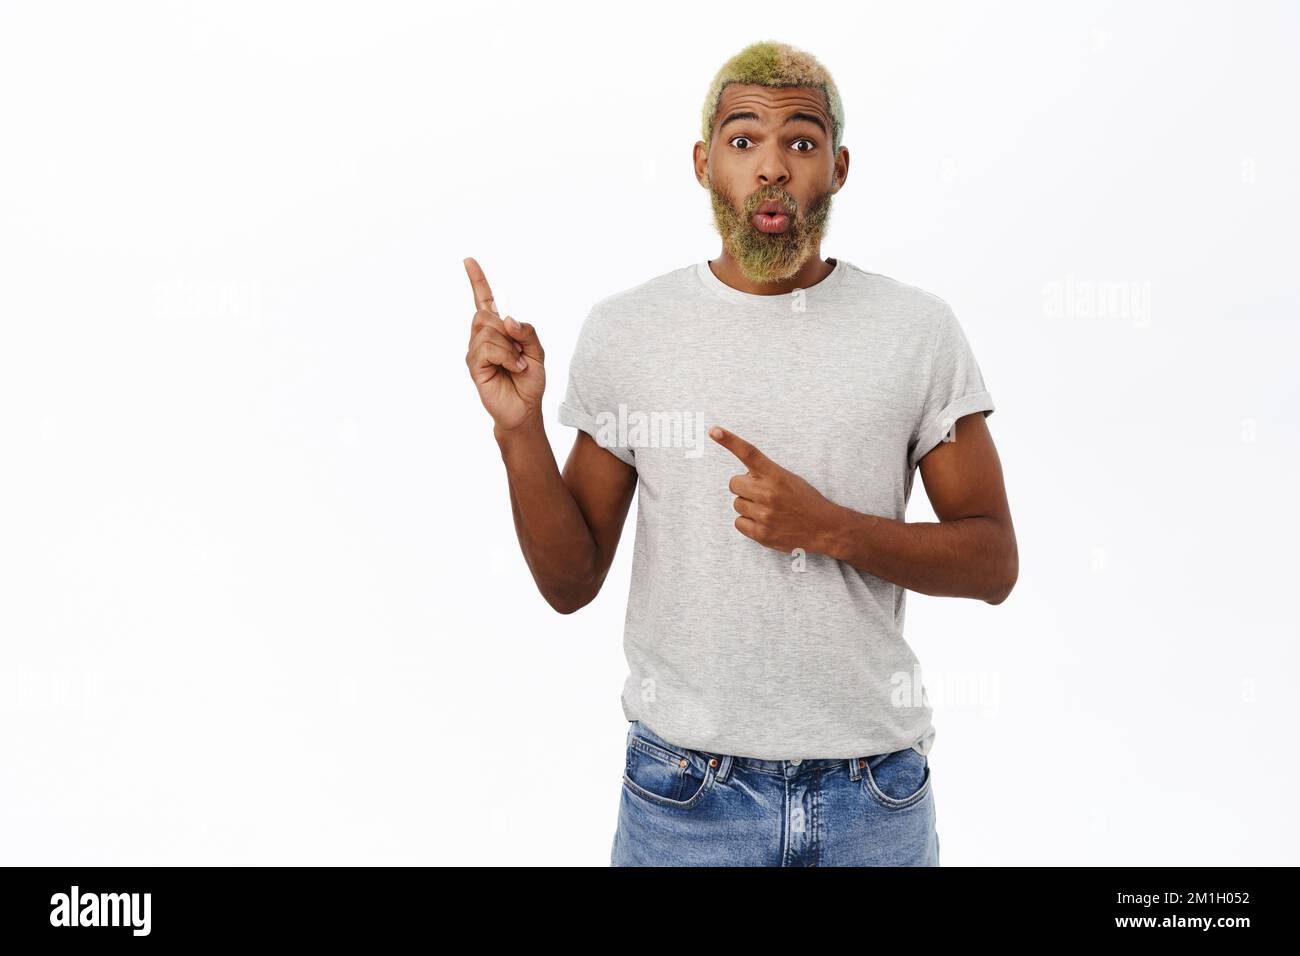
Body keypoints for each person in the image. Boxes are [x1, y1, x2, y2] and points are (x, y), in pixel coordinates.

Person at [463, 39, 1017, 866]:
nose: (772, 167)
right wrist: (519, 432)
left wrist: (828, 527)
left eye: (801, 141)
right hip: (684, 798)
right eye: (743, 139)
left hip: (873, 797)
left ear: (838, 168)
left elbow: (993, 562)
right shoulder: (630, 332)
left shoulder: (915, 331)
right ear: (703, 163)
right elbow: (570, 583)